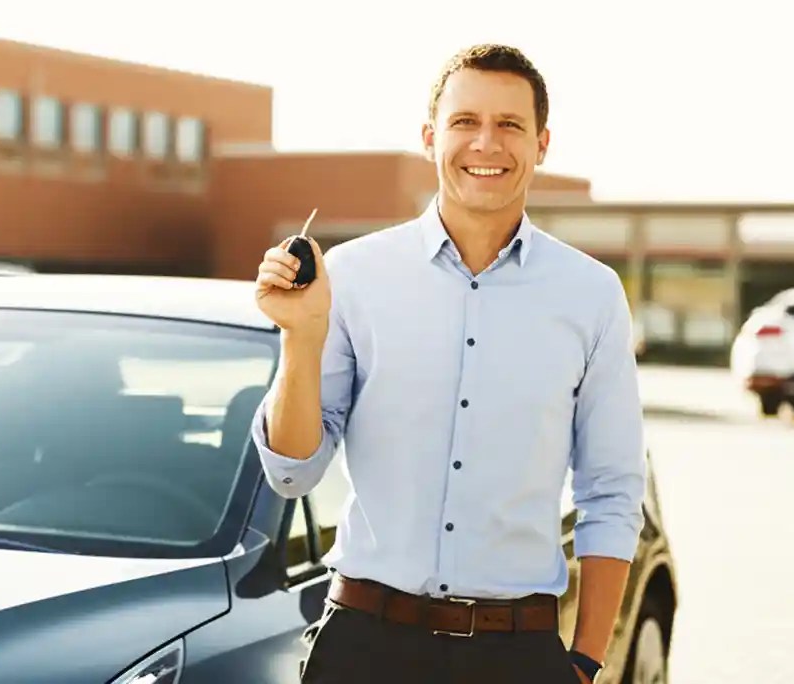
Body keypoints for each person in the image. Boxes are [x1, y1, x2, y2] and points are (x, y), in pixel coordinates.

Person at [250, 43, 646, 683]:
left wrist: (586, 661)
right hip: (363, 649)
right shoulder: (350, 276)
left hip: (518, 655)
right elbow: (294, 474)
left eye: (509, 125)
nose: (486, 143)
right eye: (465, 122)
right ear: (431, 137)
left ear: (542, 143)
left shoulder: (592, 296)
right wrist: (300, 337)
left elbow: (613, 491)